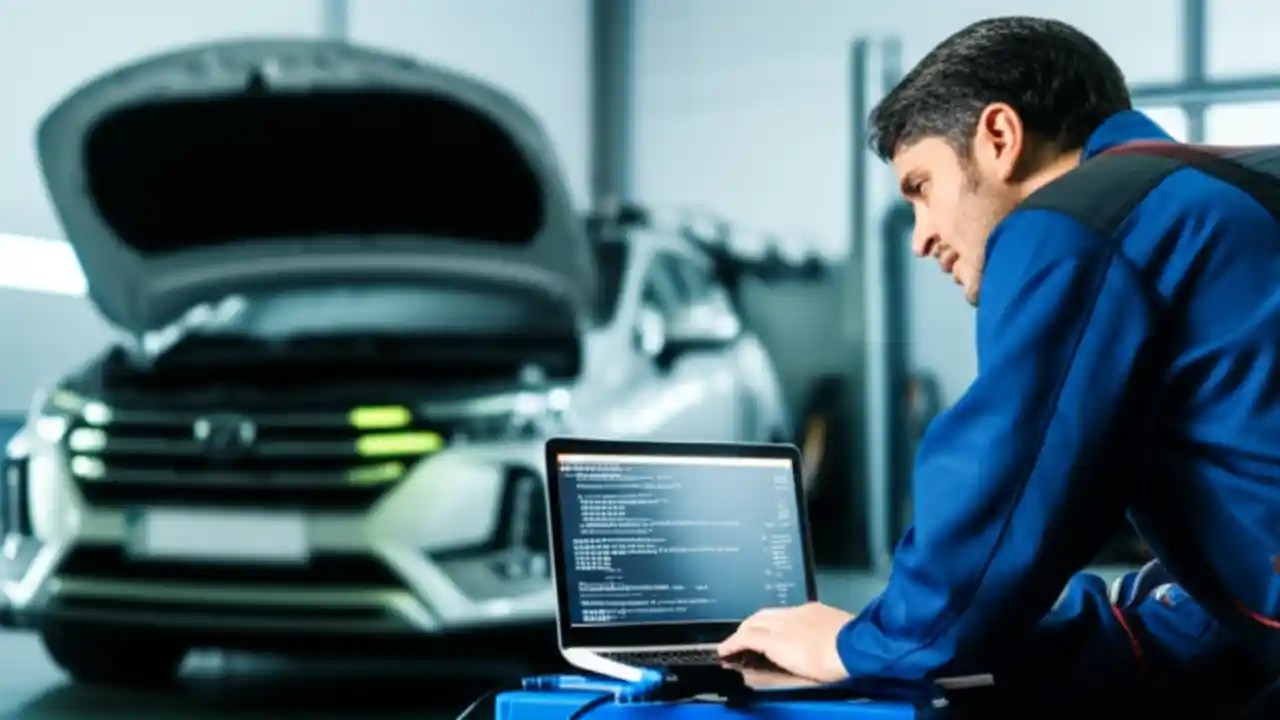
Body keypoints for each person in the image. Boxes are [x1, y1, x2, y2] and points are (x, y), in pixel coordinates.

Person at [717, 15, 1280, 713]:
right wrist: (1115, 631)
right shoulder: (1233, 189)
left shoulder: (1078, 220)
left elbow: (1005, 487)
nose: (920, 238)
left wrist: (855, 644)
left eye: (920, 186)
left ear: (1000, 138)